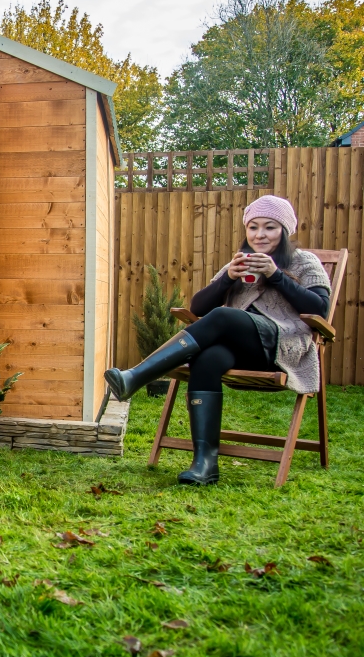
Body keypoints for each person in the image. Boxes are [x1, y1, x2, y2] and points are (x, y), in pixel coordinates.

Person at [104, 195, 331, 486]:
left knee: (224, 316)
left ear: (285, 231)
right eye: (253, 227)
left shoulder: (304, 262)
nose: (259, 234)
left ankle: (136, 377)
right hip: (241, 350)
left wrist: (275, 275)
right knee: (207, 360)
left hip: (281, 346)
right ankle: (205, 465)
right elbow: (197, 308)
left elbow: (320, 310)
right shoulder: (239, 263)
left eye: (270, 227)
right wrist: (227, 280)